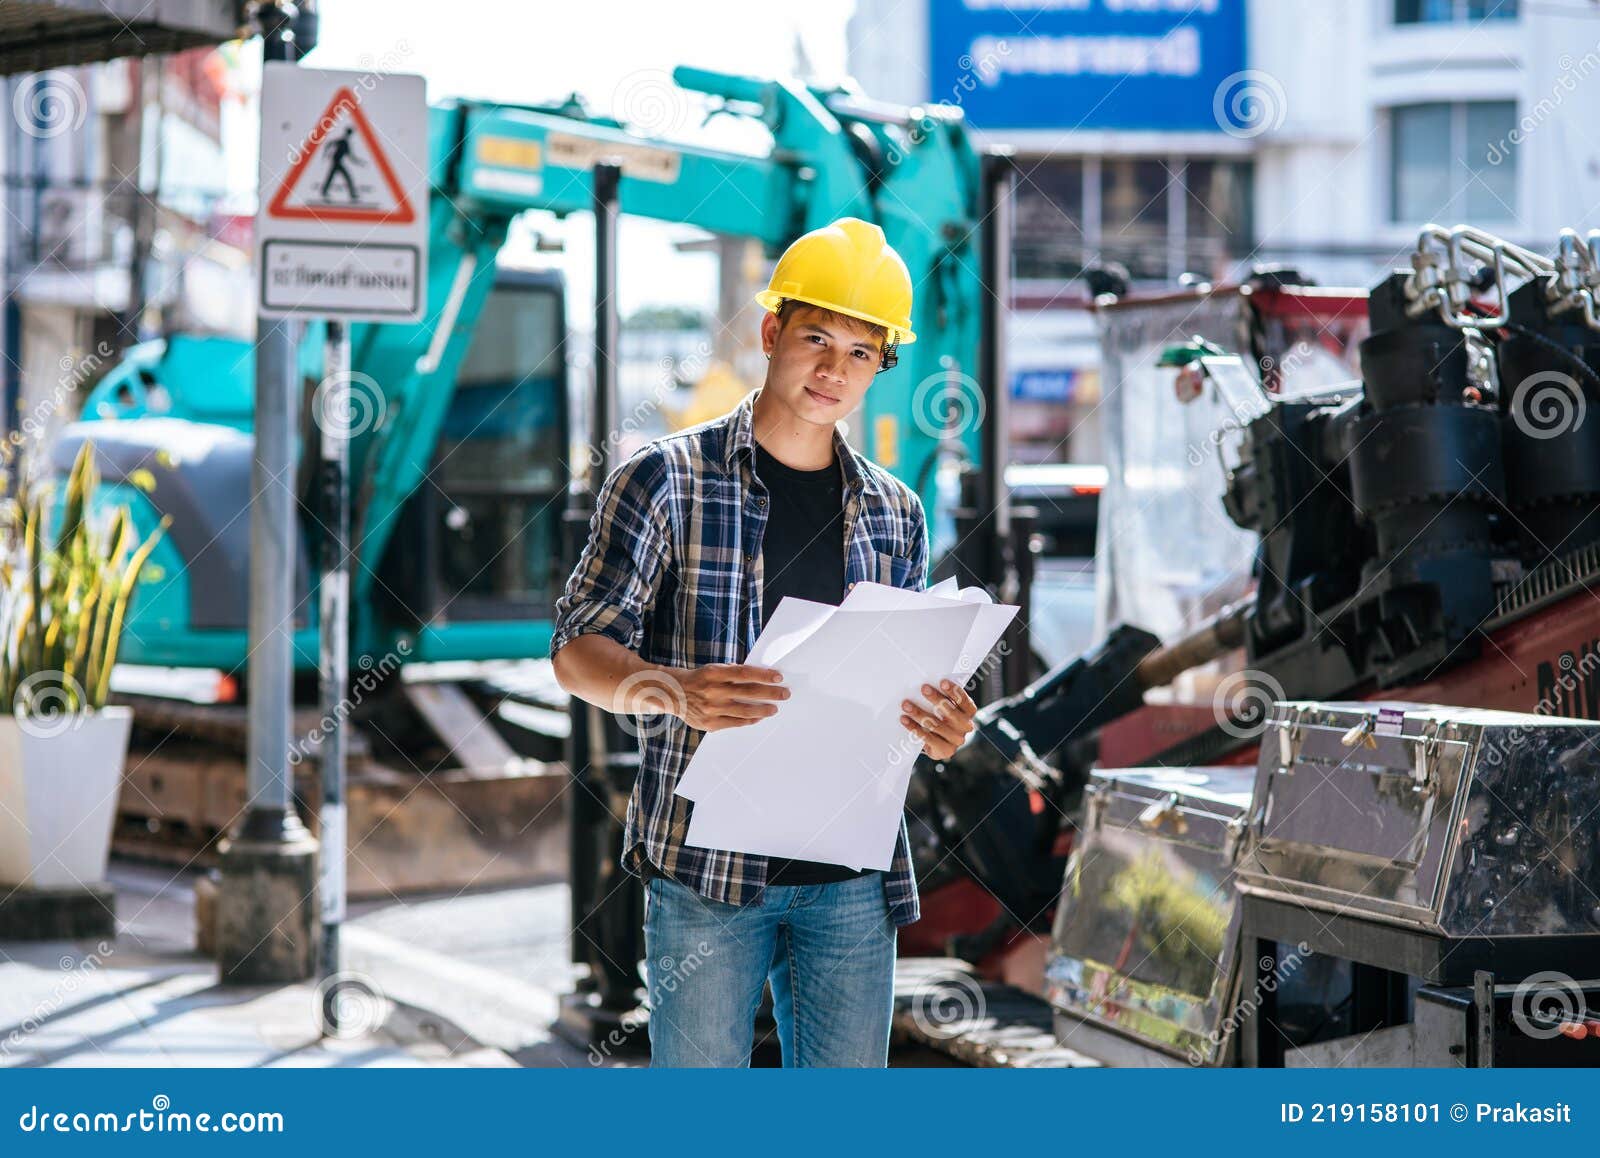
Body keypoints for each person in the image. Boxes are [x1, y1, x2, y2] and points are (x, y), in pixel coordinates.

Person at [550, 217, 978, 1067]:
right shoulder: (666, 479)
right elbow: (577, 651)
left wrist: (943, 727)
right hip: (708, 878)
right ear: (772, 332)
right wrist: (673, 690)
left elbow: (896, 685)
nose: (833, 369)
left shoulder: (896, 511)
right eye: (817, 338)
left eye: (861, 352)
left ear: (881, 367)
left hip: (851, 884)